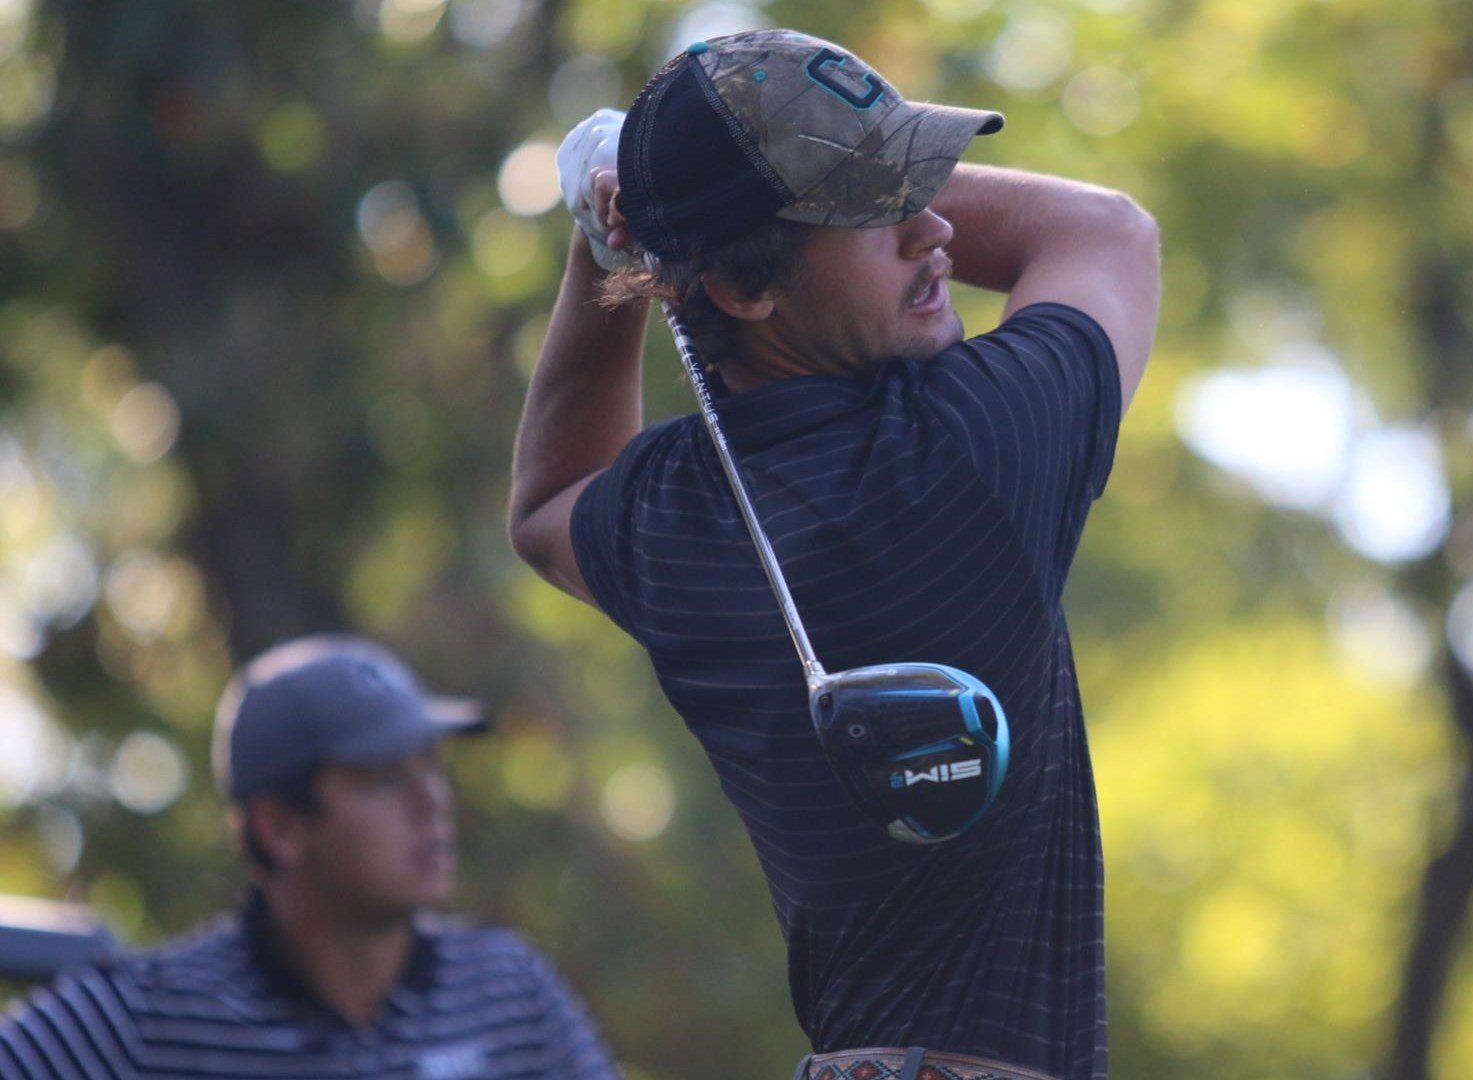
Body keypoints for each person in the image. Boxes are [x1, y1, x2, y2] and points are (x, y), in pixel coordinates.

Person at [510, 28, 1159, 1080]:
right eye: (876, 208)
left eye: (920, 186)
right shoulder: (972, 447)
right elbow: (1104, 231)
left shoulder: (673, 514)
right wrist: (646, 207)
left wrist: (614, 239)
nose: (937, 228)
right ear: (747, 290)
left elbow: (544, 506)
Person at [0, 635, 619, 1080]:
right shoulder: (136, 1020)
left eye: (430, 765)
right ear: (279, 827)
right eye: (381, 777)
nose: (431, 801)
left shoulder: (510, 993)